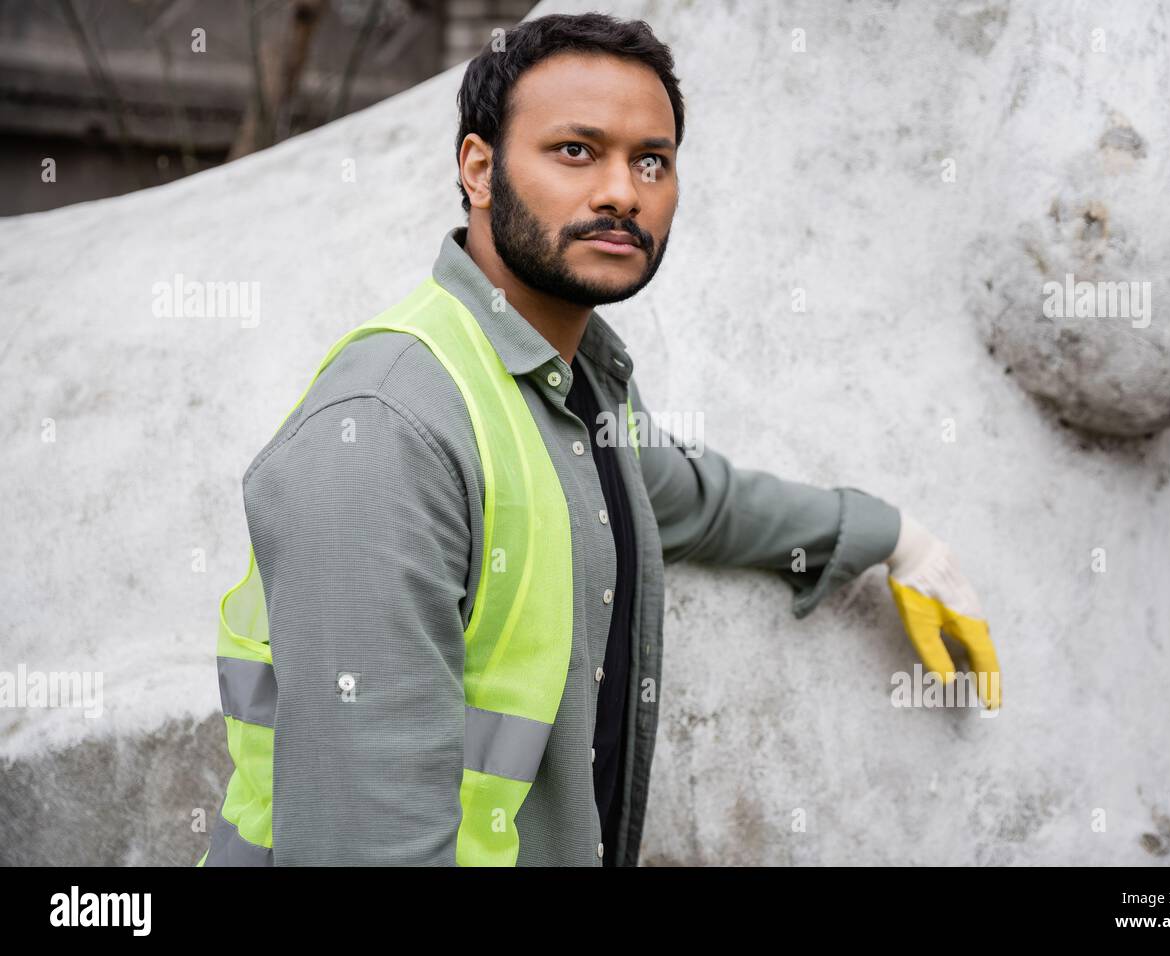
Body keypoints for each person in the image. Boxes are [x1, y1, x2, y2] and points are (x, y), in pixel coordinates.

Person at [203, 11, 999, 868]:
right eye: (576, 151)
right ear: (478, 169)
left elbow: (695, 502)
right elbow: (364, 848)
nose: (623, 190)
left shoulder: (571, 390)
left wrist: (895, 538)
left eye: (649, 160)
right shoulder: (391, 427)